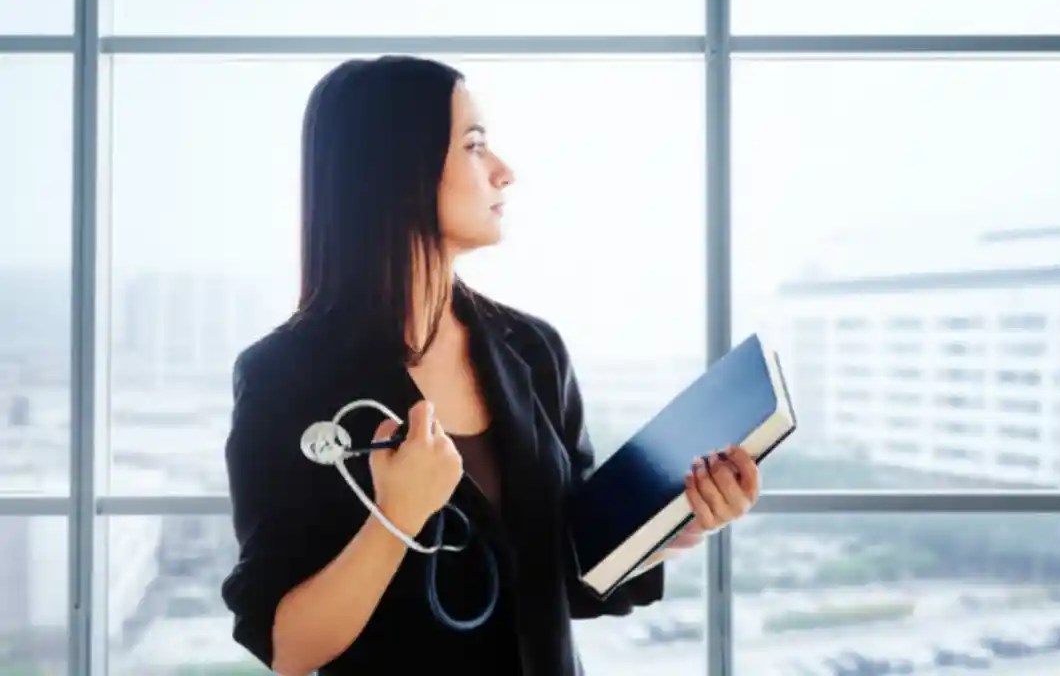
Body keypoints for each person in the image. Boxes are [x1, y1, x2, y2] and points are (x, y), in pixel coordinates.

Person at [220, 55, 762, 676]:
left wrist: (682, 517)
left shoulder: (531, 350)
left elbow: (570, 574)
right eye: (475, 146)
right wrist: (396, 516)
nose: (504, 172)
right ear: (399, 169)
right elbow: (288, 645)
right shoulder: (284, 377)